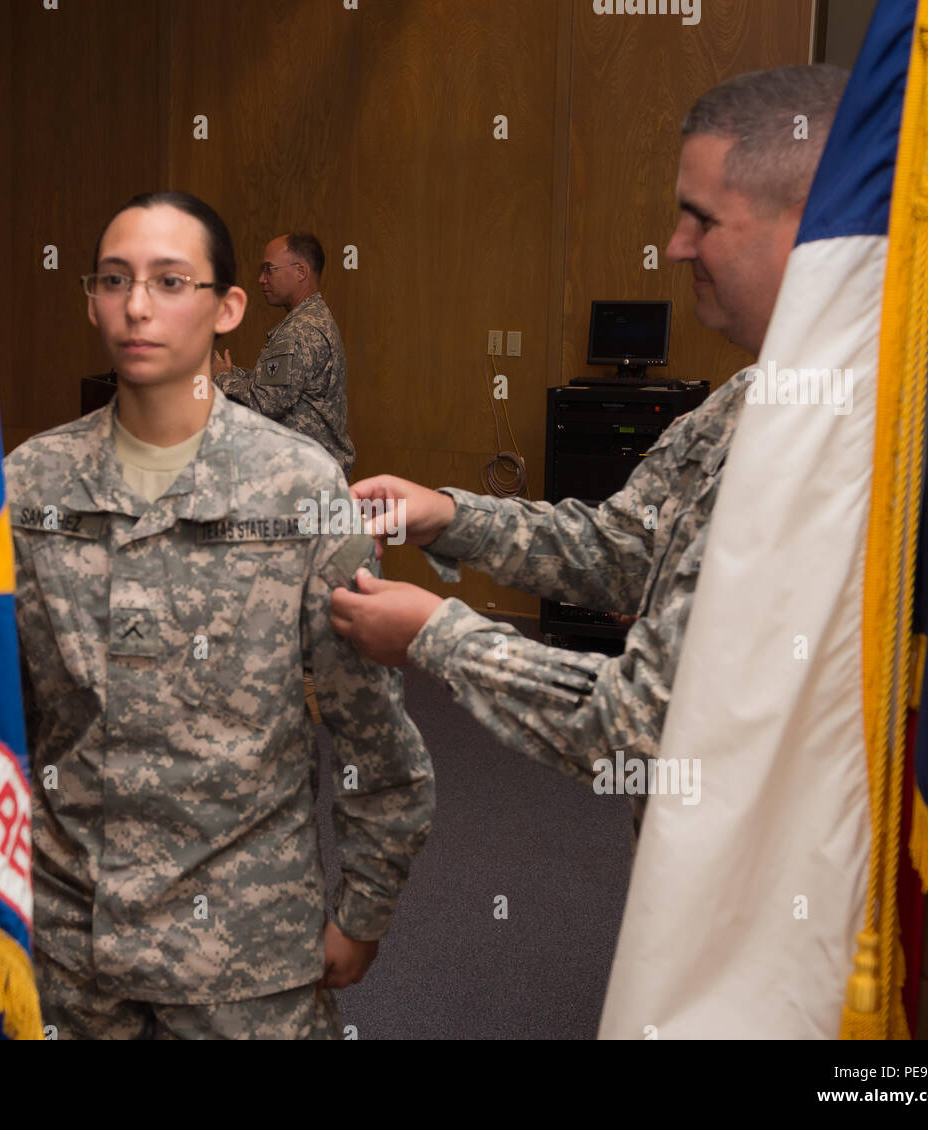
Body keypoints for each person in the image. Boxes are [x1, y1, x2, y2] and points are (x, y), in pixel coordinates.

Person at [328, 65, 849, 846]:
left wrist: (433, 634)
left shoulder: (840, 441)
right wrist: (448, 517)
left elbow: (642, 732)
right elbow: (622, 548)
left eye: (700, 220)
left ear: (808, 226)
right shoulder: (753, 394)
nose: (674, 247)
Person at [4, 191, 434, 1039]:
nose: (137, 305)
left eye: (171, 281)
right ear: (90, 298)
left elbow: (371, 731)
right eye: (115, 280)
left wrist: (364, 905)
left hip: (243, 959)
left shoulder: (302, 488)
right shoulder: (29, 485)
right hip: (68, 951)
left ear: (227, 307)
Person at [211, 232, 356, 477]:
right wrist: (230, 373)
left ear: (300, 271)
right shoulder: (310, 319)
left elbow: (263, 404)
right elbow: (277, 385)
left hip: (304, 480)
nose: (261, 279)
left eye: (269, 269)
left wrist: (221, 379)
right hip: (311, 474)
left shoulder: (300, 330)